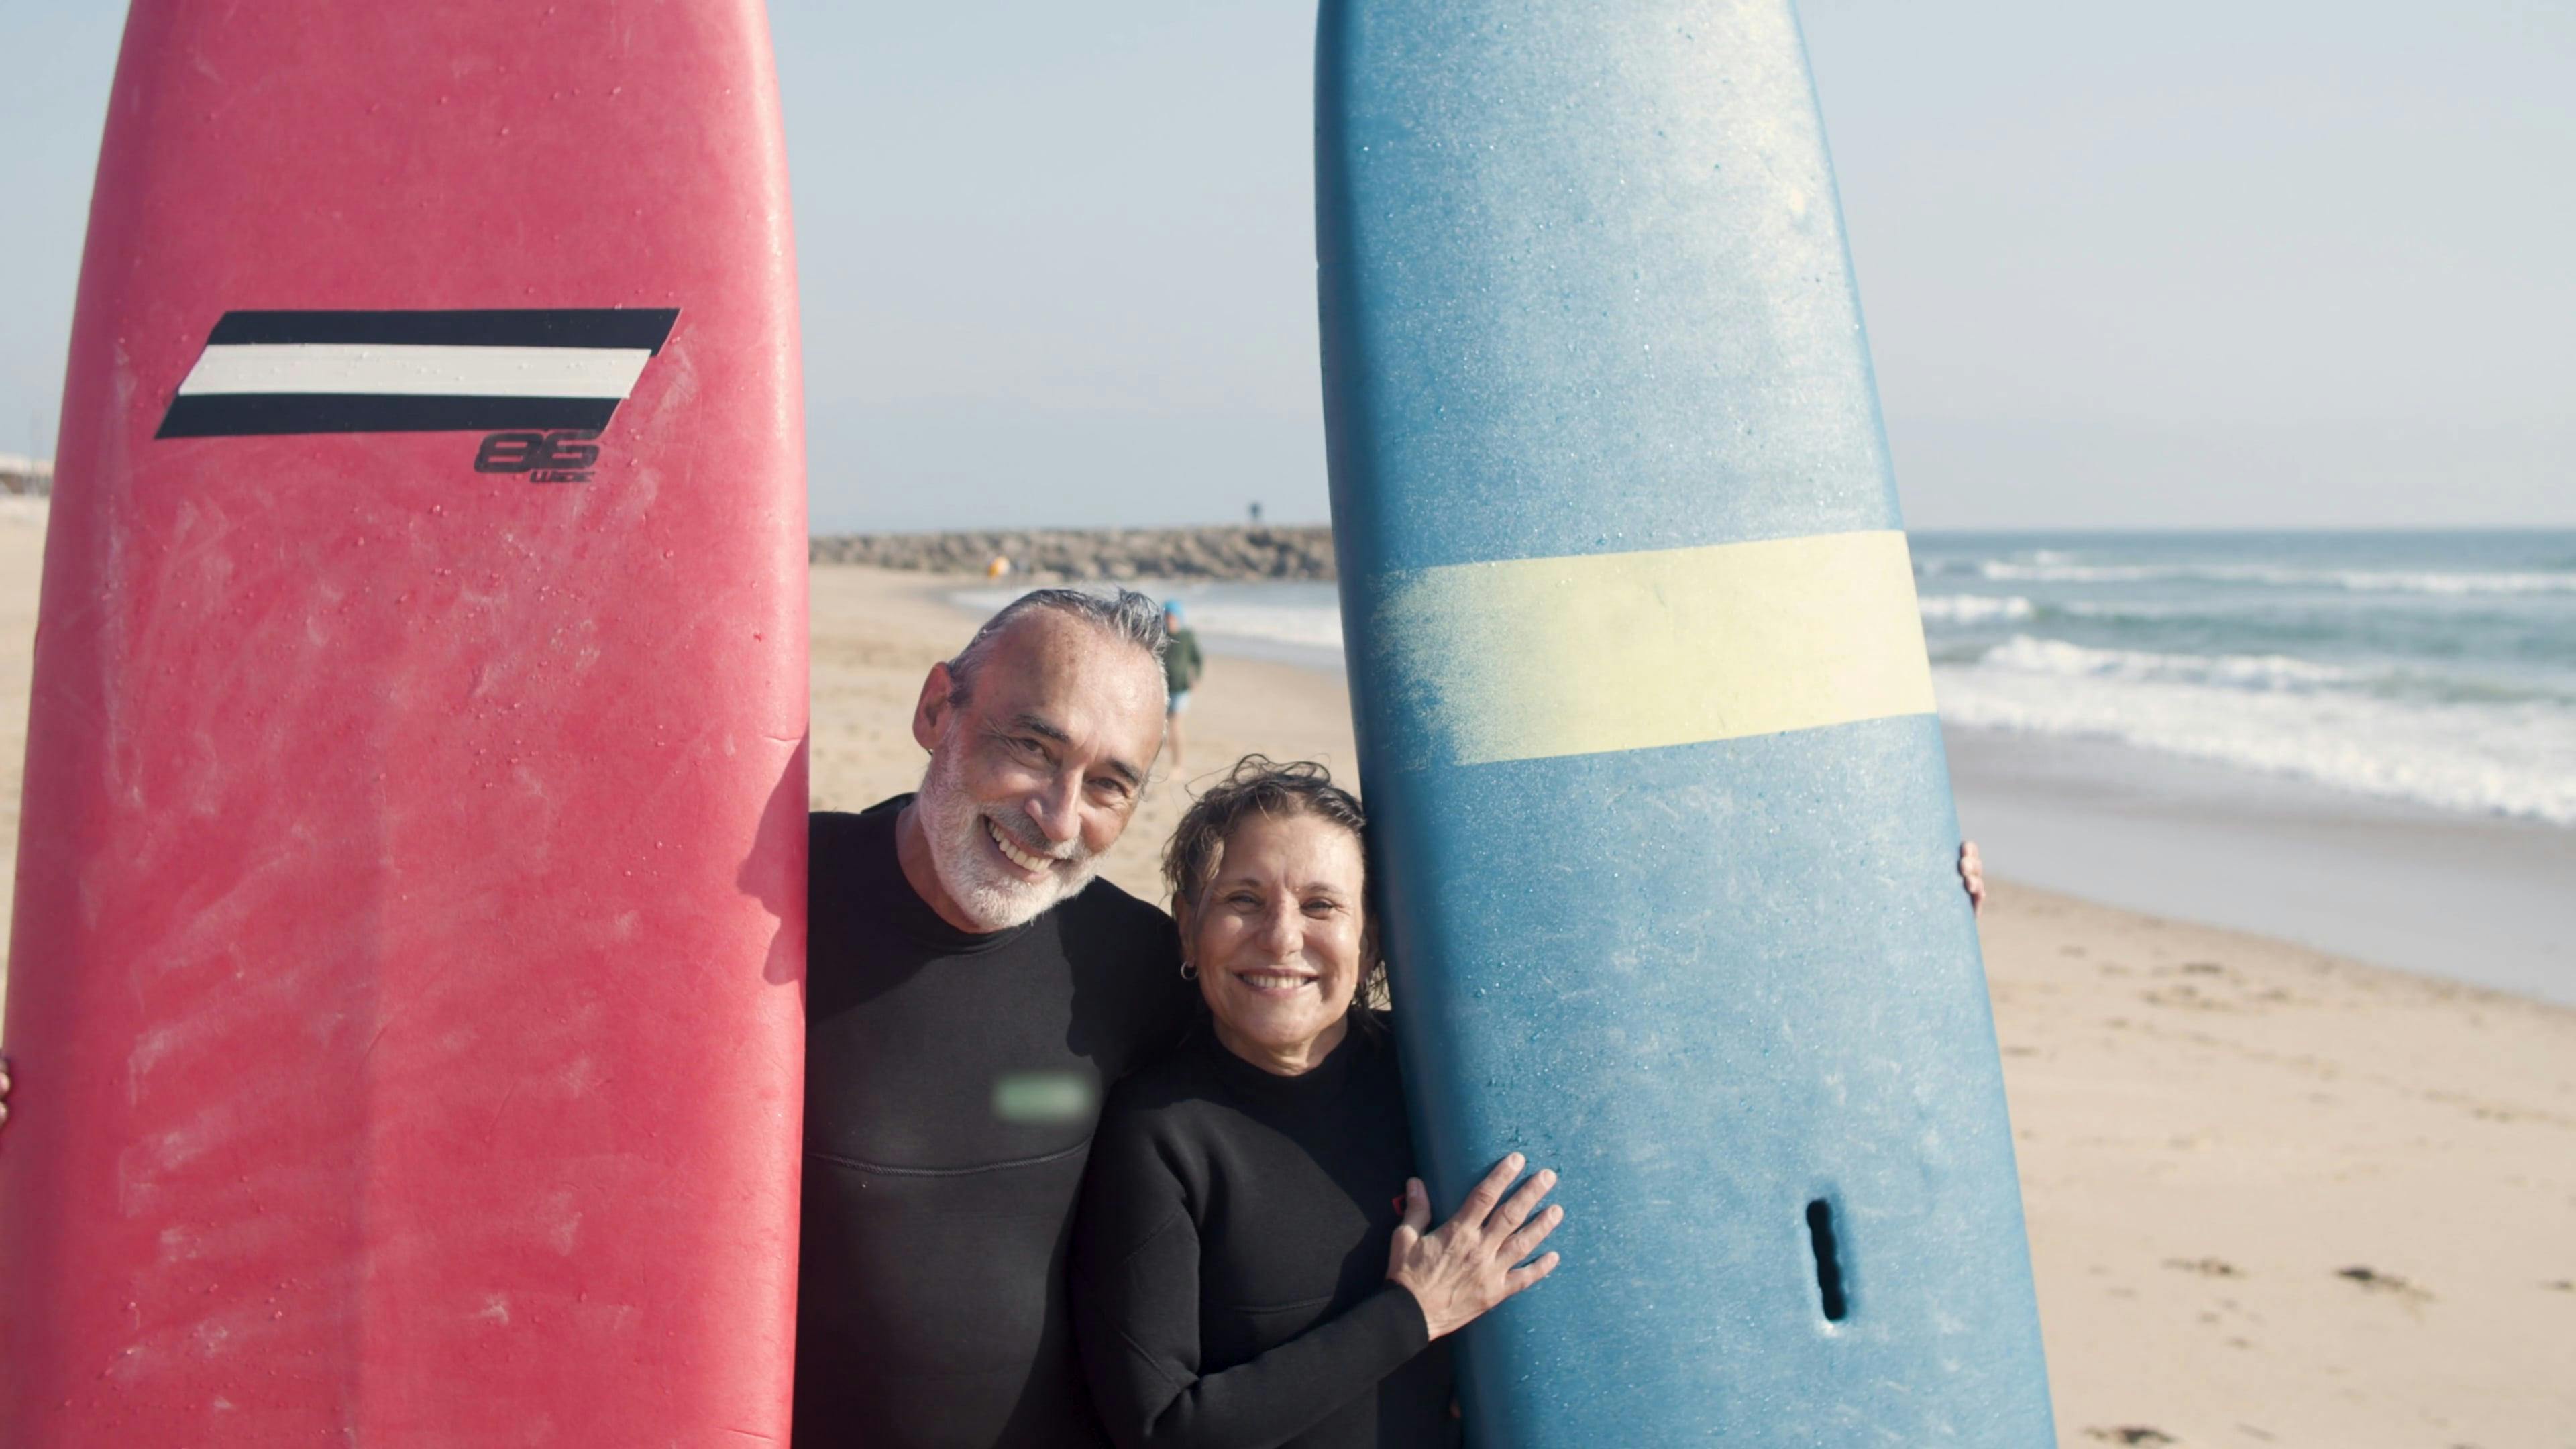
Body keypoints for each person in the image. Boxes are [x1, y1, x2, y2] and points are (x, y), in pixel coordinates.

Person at [796, 587, 1195, 1448]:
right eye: (1032, 747)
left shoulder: (1139, 969)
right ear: (937, 708)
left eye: (1109, 786)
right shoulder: (774, 904)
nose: (1058, 820)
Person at [1071, 759, 1564, 1449]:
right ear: (1188, 927)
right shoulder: (1160, 1136)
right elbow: (1162, 1432)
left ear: (1373, 941)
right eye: (1243, 899)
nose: (1280, 937)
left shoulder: (1437, 1079)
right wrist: (1412, 1314)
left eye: (1322, 905)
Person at [1159, 600, 1205, 772]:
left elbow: (1198, 660)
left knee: (1175, 723)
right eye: (1166, 617)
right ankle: (1167, 749)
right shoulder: (1160, 636)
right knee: (1163, 724)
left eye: (1172, 618)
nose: (1169, 621)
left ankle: (1178, 764)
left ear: (1179, 618)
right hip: (1163, 689)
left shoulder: (1187, 637)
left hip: (1181, 689)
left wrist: (1196, 678)